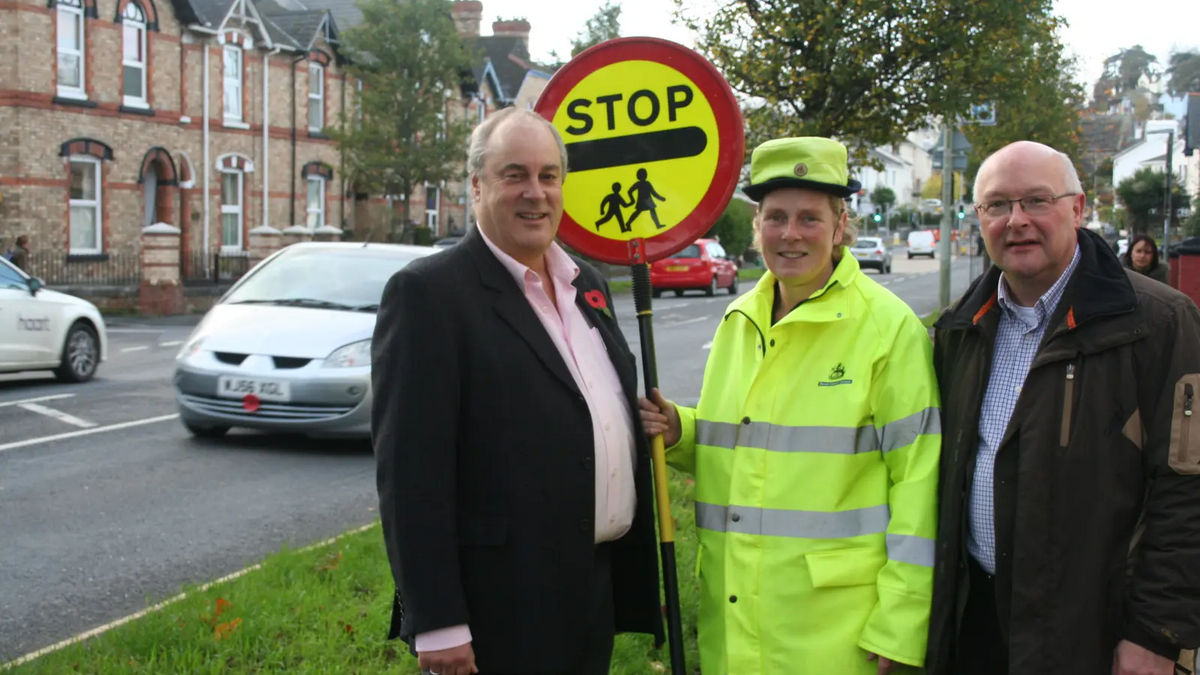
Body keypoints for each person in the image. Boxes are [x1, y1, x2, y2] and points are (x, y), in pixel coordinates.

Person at [371, 107, 664, 675]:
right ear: (477, 184)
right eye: (515, 175)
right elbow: (411, 473)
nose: (536, 193)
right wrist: (438, 621)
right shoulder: (429, 295)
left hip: (590, 588)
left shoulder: (588, 285)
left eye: (549, 175)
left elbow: (581, 403)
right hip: (498, 606)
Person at [639, 137, 941, 675]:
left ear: (840, 223)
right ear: (757, 226)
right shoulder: (739, 319)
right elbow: (737, 442)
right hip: (735, 620)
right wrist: (681, 430)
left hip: (836, 632)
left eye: (809, 217)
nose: (791, 234)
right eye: (775, 217)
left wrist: (901, 624)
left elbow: (921, 483)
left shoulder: (888, 329)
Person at [925, 141, 1200, 675]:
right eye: (997, 205)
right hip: (975, 621)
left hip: (1095, 634)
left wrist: (1157, 634)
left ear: (1077, 209)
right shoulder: (959, 328)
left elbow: (1187, 489)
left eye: (1036, 201)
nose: (1017, 220)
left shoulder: (1159, 323)